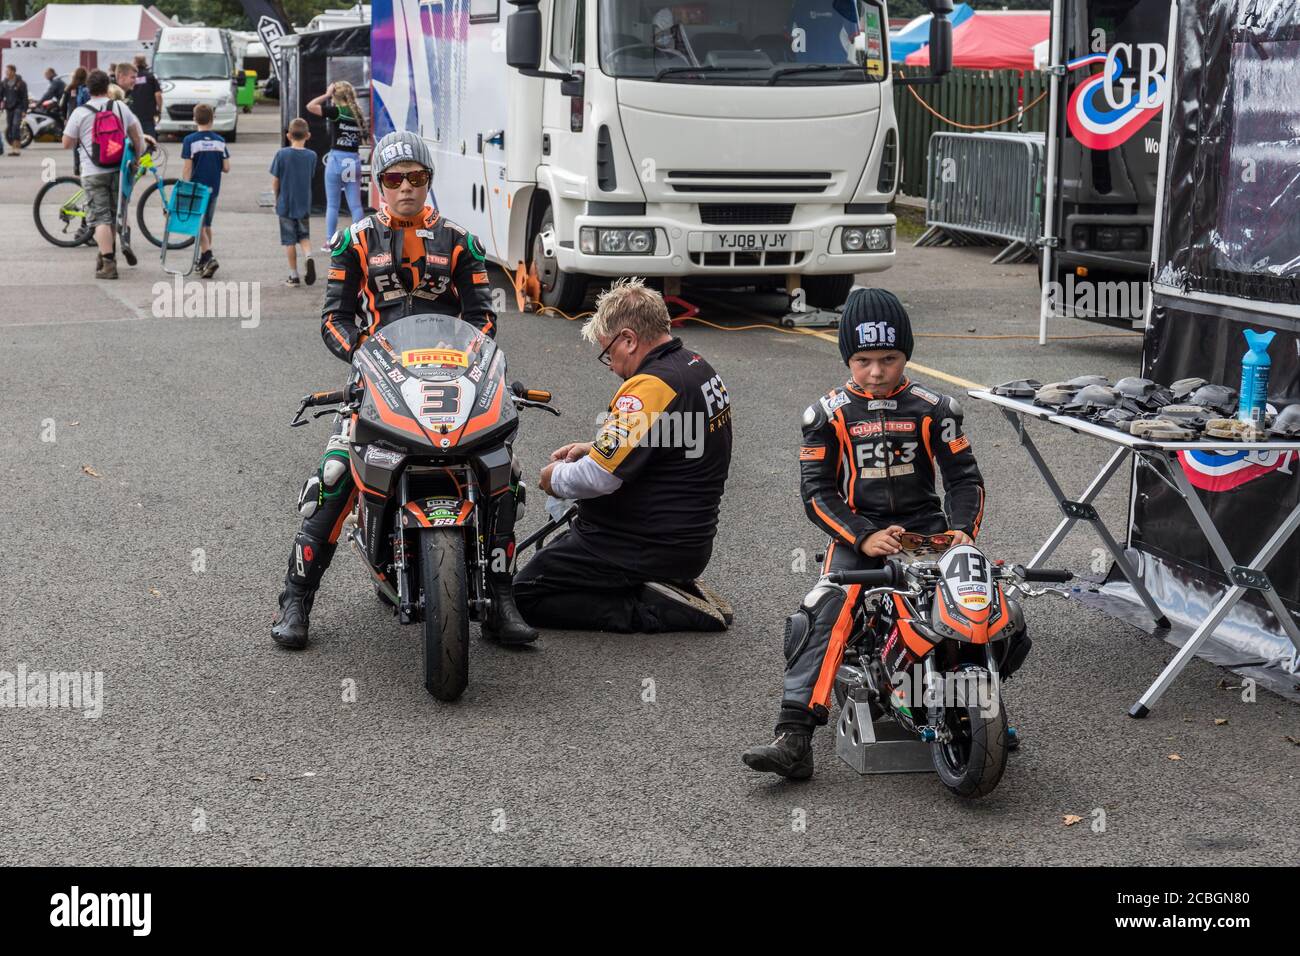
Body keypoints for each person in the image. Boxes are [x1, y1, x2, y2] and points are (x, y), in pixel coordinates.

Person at [270, 130, 536, 649]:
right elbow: (333, 320)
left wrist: (476, 362)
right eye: (395, 179)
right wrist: (361, 356)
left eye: (416, 178)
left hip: (452, 379)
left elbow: (483, 318)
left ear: (429, 181)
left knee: (502, 467)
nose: (406, 188)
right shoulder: (354, 241)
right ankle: (296, 600)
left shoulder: (461, 240)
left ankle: (501, 597)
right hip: (376, 382)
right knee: (335, 474)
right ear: (379, 185)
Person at [741, 289, 1004, 781]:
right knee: (823, 610)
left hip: (928, 535)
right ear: (848, 358)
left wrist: (962, 533)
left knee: (992, 605)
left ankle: (982, 704)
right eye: (864, 361)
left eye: (889, 359)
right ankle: (795, 735)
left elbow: (965, 480)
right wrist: (862, 537)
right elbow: (816, 494)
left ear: (906, 355)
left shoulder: (935, 408)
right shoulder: (827, 415)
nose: (877, 372)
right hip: (858, 538)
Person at [511, 277, 735, 636]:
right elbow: (671, 440)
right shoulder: (696, 366)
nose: (612, 367)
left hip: (639, 541)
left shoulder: (650, 387)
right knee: (554, 561)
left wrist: (552, 479)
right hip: (685, 537)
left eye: (608, 353)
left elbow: (598, 478)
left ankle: (651, 609)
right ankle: (666, 585)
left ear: (629, 339)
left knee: (524, 593)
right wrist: (593, 447)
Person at [61, 69, 146, 279]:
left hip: (92, 171)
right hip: (118, 168)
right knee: (115, 214)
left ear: (88, 89)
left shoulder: (80, 112)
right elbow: (138, 137)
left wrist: (82, 137)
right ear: (107, 87)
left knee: (100, 219)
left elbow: (66, 143)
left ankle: (108, 264)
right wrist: (136, 158)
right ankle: (106, 252)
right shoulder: (120, 107)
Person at [306, 80, 366, 250]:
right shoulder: (358, 113)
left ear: (335, 96)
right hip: (353, 161)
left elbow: (310, 106)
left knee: (333, 204)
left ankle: (330, 241)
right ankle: (360, 240)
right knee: (355, 205)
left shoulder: (336, 112)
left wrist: (326, 94)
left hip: (336, 160)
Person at [181, 103, 230, 279]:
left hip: (196, 188)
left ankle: (208, 256)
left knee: (197, 224)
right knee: (207, 223)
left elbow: (187, 168)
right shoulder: (220, 141)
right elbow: (226, 168)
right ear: (212, 119)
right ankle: (204, 257)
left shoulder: (190, 140)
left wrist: (185, 186)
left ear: (194, 119)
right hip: (213, 188)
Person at [270, 117, 319, 286]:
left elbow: (276, 180)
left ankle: (294, 275)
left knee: (289, 240)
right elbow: (311, 176)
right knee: (304, 235)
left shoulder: (282, 154)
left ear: (288, 135)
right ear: (308, 135)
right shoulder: (312, 156)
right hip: (303, 203)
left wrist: (275, 198)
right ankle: (309, 256)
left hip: (286, 203)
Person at [128, 54, 162, 139]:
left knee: (134, 137)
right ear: (145, 62)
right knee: (149, 139)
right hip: (148, 114)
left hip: (133, 112)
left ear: (134, 63)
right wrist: (159, 109)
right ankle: (147, 151)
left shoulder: (131, 77)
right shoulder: (150, 77)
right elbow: (158, 95)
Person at [3, 65, 28, 156]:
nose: (6, 73)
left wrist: (24, 110)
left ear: (13, 71)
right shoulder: (4, 82)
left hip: (18, 107)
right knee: (10, 128)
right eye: (6, 71)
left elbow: (25, 97)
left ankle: (16, 149)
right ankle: (13, 148)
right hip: (9, 108)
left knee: (15, 126)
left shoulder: (21, 83)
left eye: (8, 71)